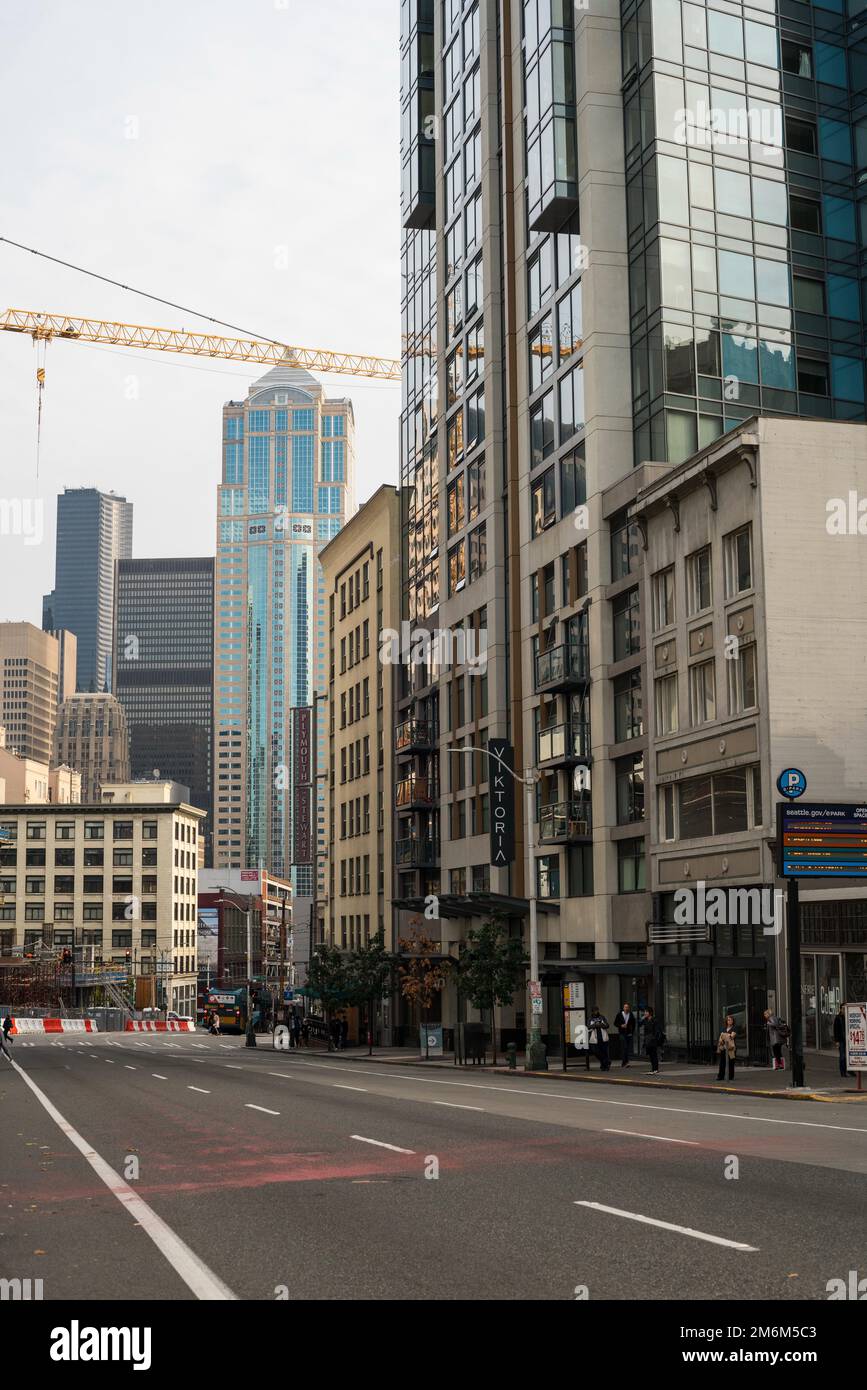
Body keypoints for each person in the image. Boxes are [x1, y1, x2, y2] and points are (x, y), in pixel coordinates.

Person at [643, 1006, 664, 1075]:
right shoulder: (645, 1020)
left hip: (653, 1040)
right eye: (645, 1012)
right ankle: (653, 1069)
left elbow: (657, 1031)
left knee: (654, 1054)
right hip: (648, 1040)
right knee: (651, 1055)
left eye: (646, 1012)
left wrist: (655, 1038)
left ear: (650, 1013)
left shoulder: (655, 1020)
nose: (645, 1013)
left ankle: (655, 1069)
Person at [587, 1006, 610, 1071]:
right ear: (592, 1011)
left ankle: (604, 1066)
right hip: (594, 1039)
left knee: (604, 1052)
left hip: (603, 1037)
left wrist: (601, 1025)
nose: (596, 1012)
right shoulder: (590, 1018)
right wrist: (595, 1025)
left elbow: (607, 1025)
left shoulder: (602, 1017)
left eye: (597, 1010)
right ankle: (605, 1062)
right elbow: (588, 1027)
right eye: (595, 1011)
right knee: (596, 1052)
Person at [716, 1014, 738, 1082]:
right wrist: (724, 1038)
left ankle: (731, 1076)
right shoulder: (723, 1028)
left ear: (733, 1021)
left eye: (731, 1020)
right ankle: (720, 1076)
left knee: (731, 1062)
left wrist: (725, 1036)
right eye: (728, 1020)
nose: (729, 1021)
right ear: (726, 1021)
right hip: (723, 1047)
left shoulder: (734, 1028)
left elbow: (732, 1036)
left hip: (731, 1048)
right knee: (722, 1062)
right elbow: (721, 1037)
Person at [614, 1002, 636, 1067]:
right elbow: (615, 1023)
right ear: (623, 1008)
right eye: (625, 1007)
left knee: (627, 1048)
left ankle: (626, 1062)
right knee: (625, 1047)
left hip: (628, 1033)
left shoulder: (631, 1014)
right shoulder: (619, 1014)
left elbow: (634, 1024)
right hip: (622, 1033)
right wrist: (621, 1025)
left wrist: (632, 1032)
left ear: (629, 1008)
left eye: (627, 1007)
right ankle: (624, 1062)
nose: (626, 1008)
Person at [833, 1004, 851, 1079]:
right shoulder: (838, 1018)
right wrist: (836, 1041)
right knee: (842, 1056)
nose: (845, 1010)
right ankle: (843, 1072)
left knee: (848, 1056)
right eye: (843, 1009)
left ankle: (849, 1070)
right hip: (841, 1040)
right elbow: (836, 1030)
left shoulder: (848, 1017)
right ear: (840, 1009)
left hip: (847, 1039)